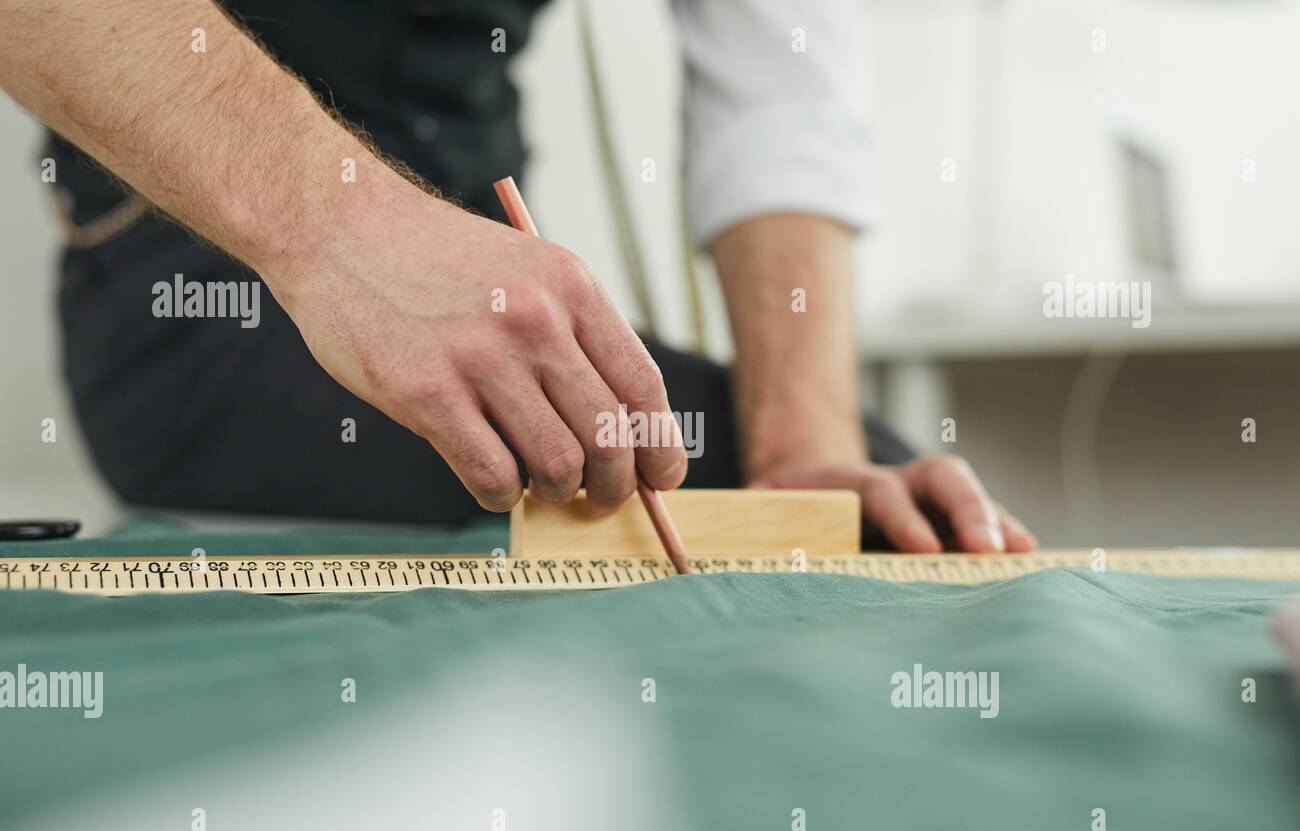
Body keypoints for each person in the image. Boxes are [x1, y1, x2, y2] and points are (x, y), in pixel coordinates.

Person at [0, 0, 1035, 553]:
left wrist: (800, 456)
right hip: (210, 299)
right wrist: (341, 230)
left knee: (887, 537)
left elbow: (777, 87)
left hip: (474, 289)